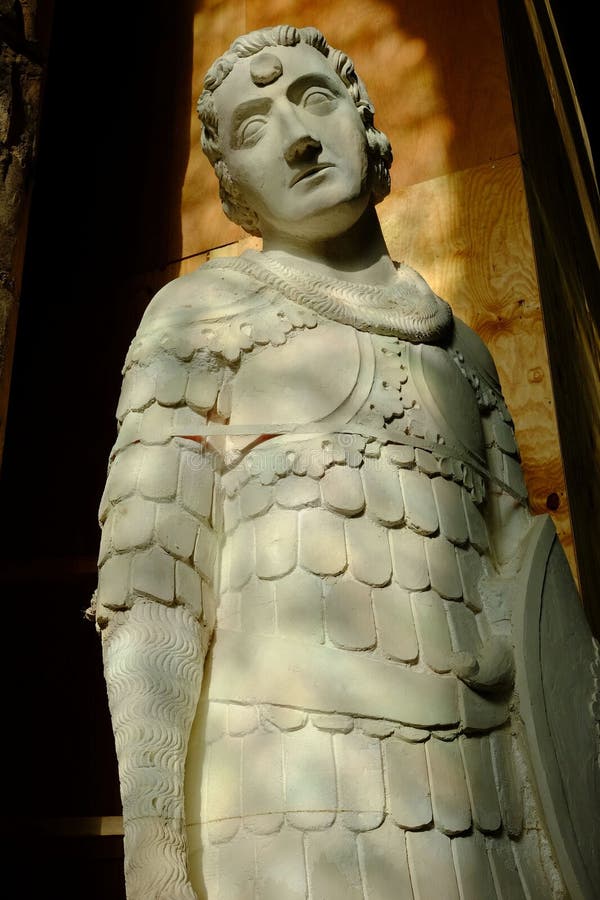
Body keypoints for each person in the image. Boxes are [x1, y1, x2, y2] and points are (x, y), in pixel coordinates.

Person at [91, 25, 599, 900]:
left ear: (365, 124)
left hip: (489, 818)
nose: (295, 137)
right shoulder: (200, 318)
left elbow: (530, 604)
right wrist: (155, 851)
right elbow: (154, 593)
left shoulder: (466, 354)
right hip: (286, 814)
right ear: (235, 191)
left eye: (315, 98)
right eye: (253, 128)